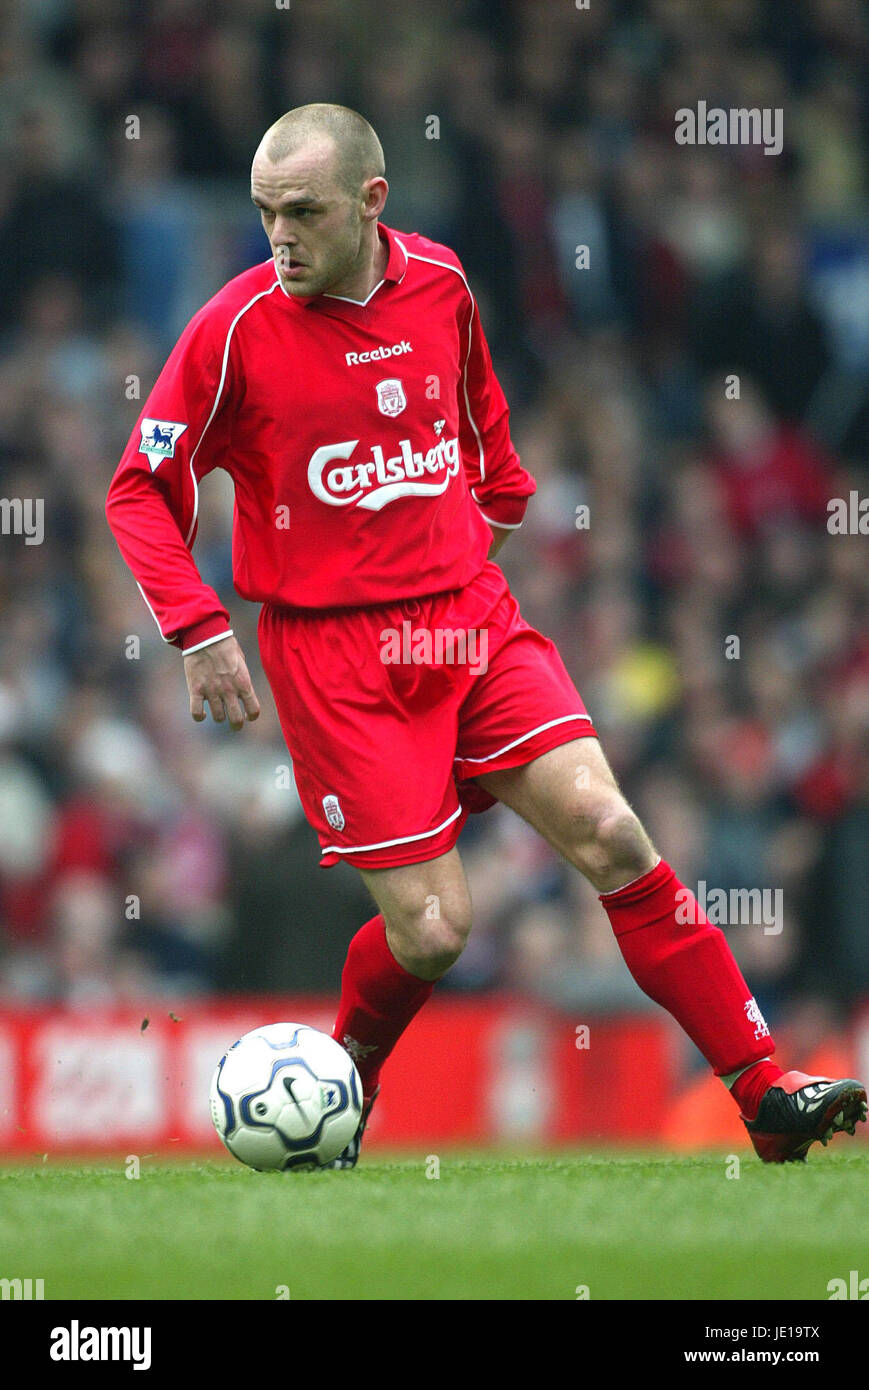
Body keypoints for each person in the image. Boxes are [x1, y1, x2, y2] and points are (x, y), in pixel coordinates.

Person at [106, 104, 866, 1166]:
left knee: (608, 829)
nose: (279, 237)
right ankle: (343, 1083)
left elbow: (492, 460)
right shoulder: (235, 329)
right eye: (265, 213)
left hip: (465, 624)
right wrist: (196, 627)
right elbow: (138, 491)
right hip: (332, 659)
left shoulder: (443, 284)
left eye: (304, 213)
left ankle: (760, 1086)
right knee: (434, 931)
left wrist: (456, 561)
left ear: (372, 203)